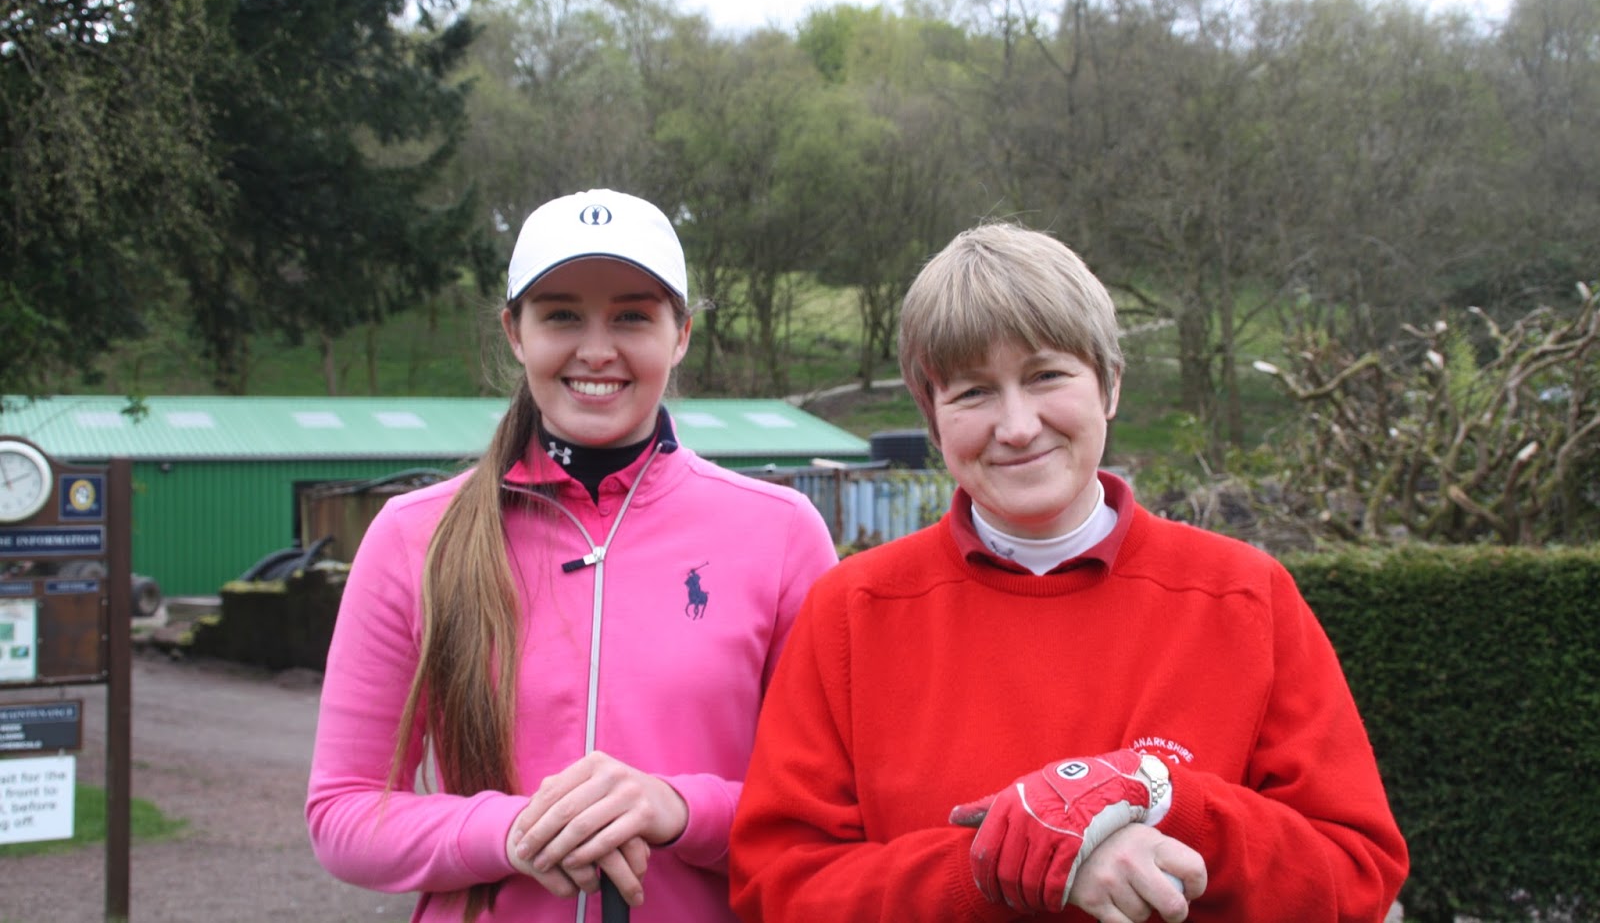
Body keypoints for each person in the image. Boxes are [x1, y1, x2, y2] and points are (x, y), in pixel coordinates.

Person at [728, 221, 1408, 922]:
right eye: (972, 393)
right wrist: (995, 870)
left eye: (1046, 375)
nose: (1018, 426)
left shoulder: (1245, 595)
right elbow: (777, 888)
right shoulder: (852, 610)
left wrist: (1168, 800)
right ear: (933, 418)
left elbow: (1356, 878)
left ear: (1110, 384)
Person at [306, 188, 838, 922]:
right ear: (515, 332)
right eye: (561, 314)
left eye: (631, 315)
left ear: (681, 334)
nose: (596, 350)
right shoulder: (411, 537)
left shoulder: (781, 532)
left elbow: (827, 808)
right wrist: (513, 830)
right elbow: (344, 815)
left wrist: (679, 808)